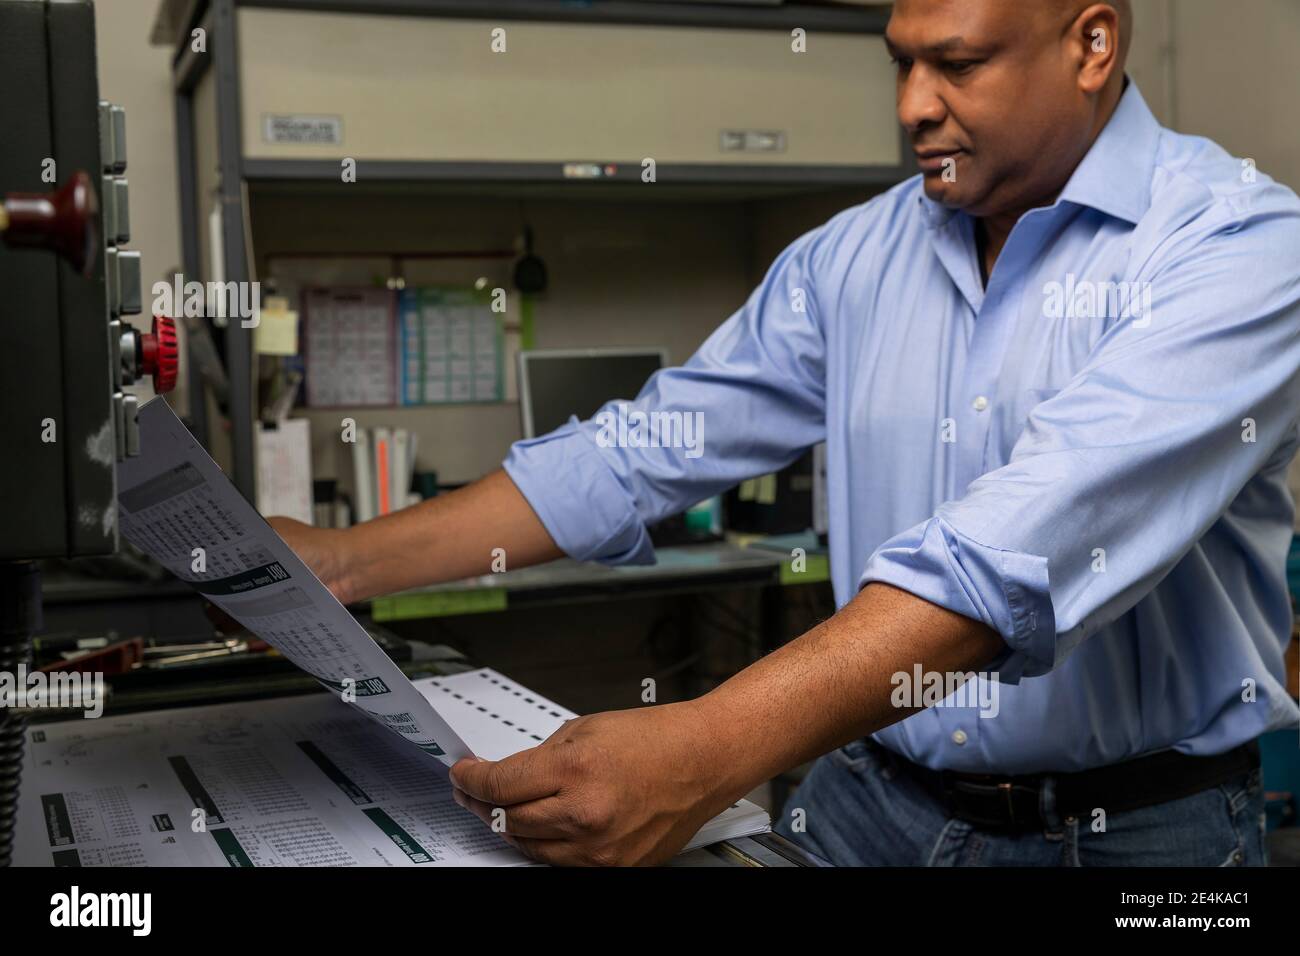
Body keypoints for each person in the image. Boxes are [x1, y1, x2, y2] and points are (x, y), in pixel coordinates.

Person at [271, 0, 1300, 866]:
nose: (911, 106)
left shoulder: (1240, 247)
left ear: (1092, 45)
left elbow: (1013, 558)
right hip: (869, 798)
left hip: (1135, 830)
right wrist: (343, 562)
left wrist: (702, 749)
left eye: (956, 63)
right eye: (899, 62)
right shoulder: (852, 255)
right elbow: (644, 447)